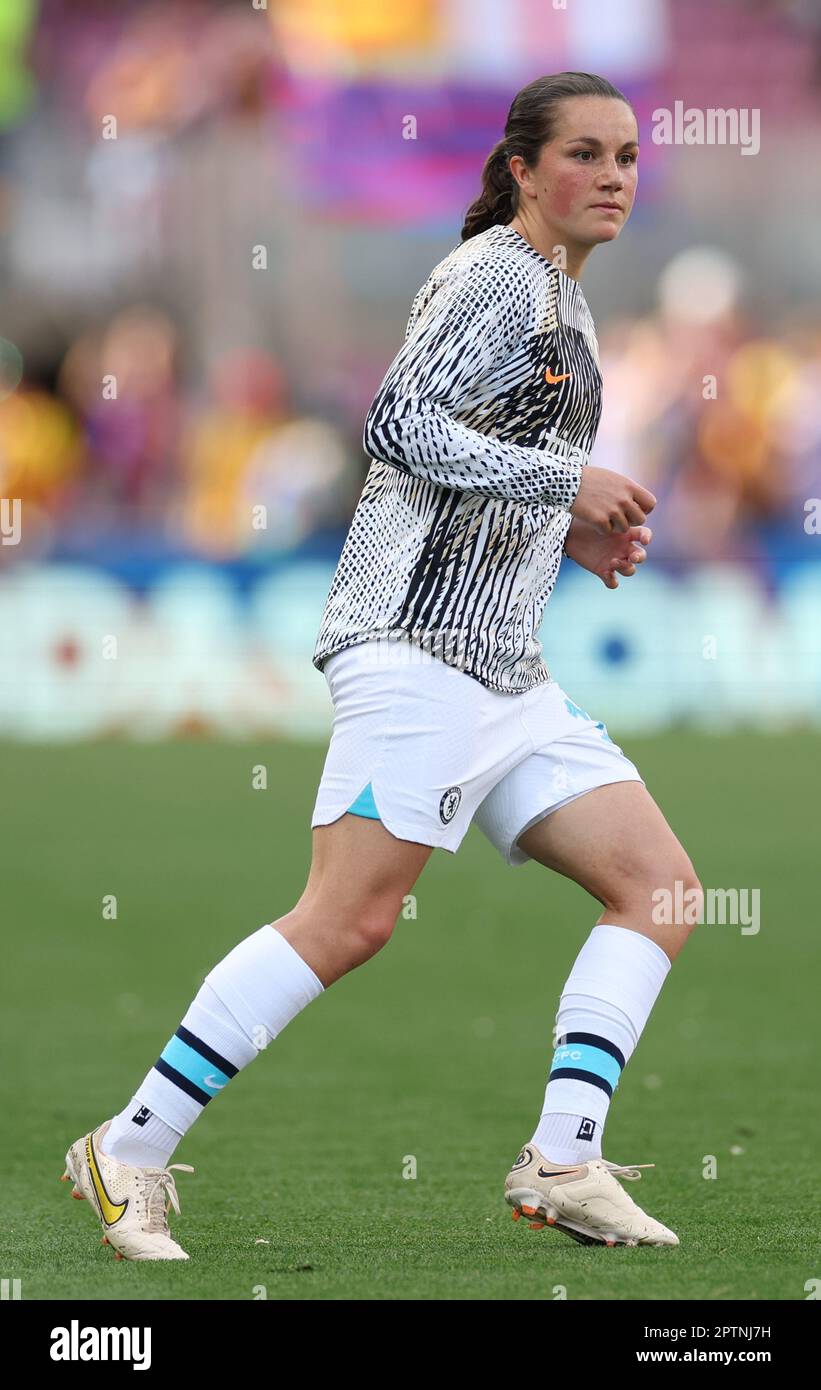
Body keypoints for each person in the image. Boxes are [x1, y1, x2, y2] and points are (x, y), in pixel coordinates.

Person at [62, 71, 701, 1258]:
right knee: (349, 919)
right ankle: (129, 1145)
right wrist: (567, 484)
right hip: (414, 649)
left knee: (656, 887)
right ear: (520, 169)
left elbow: (471, 455)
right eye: (583, 154)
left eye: (625, 155)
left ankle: (562, 1156)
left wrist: (562, 525)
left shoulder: (564, 300)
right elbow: (397, 424)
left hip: (505, 669)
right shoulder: (494, 277)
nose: (612, 175)